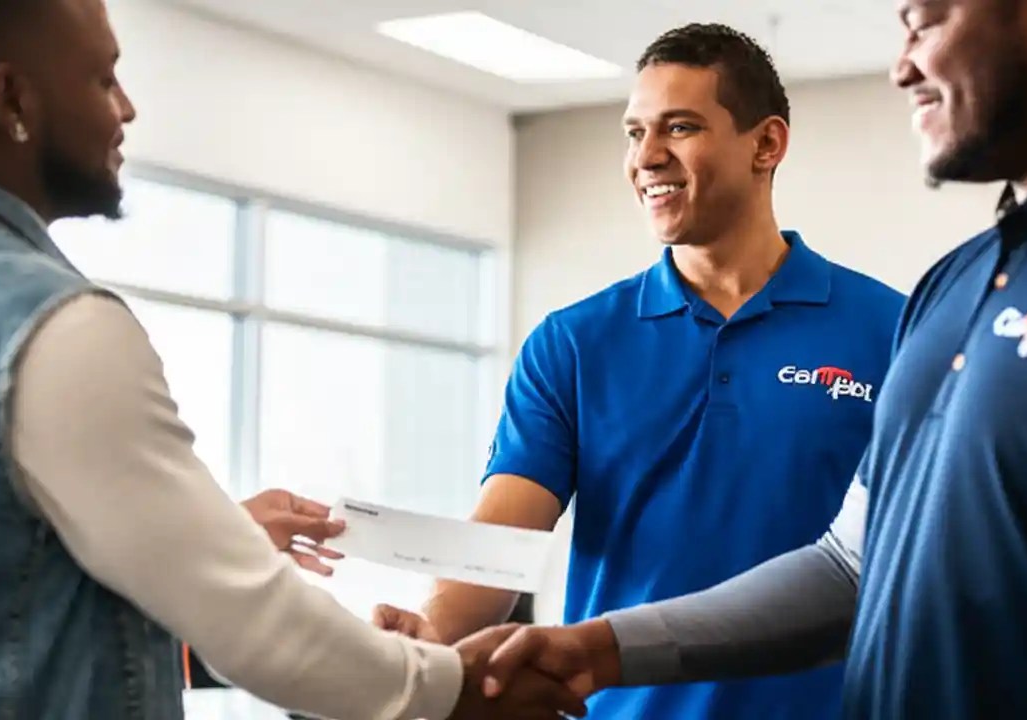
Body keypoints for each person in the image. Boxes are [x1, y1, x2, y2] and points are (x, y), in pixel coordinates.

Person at [468, 0, 1027, 718]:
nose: (901, 66)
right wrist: (594, 650)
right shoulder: (957, 285)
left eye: (927, 22)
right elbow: (850, 566)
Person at [0, 1, 587, 718]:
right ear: (13, 98)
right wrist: (447, 686)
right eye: (103, 80)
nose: (128, 108)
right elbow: (253, 622)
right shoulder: (59, 330)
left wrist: (213, 532)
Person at [374, 22, 905, 720]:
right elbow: (502, 536)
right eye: (633, 133)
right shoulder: (573, 343)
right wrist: (435, 632)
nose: (646, 157)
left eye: (679, 128)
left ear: (766, 144)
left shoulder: (894, 330)